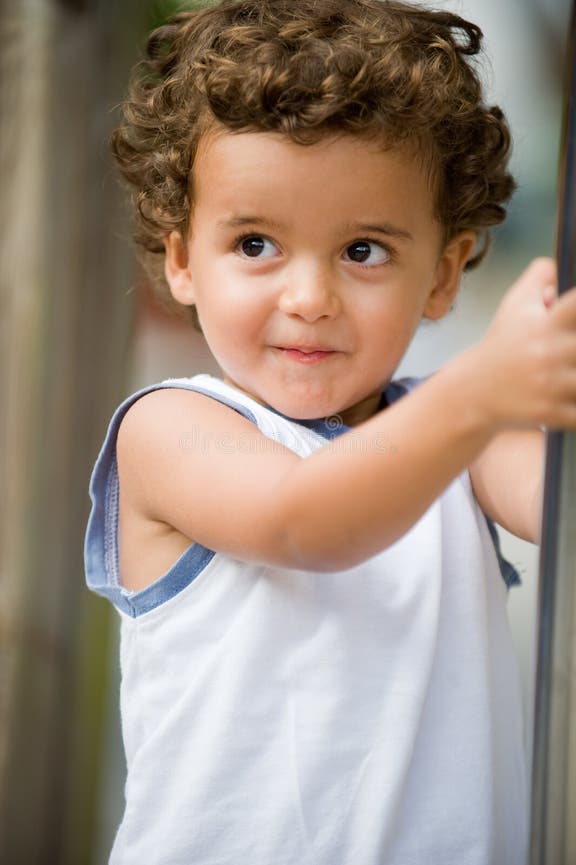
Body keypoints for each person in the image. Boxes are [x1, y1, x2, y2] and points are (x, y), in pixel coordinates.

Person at [84, 1, 576, 862]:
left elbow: (553, 501)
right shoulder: (172, 429)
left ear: (444, 273)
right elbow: (302, 520)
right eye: (255, 243)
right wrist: (482, 392)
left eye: (363, 252)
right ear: (182, 260)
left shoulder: (468, 443)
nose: (309, 296)